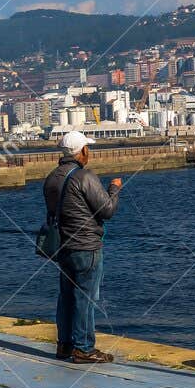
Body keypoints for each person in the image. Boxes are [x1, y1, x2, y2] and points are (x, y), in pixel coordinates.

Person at [42, 131, 122, 364]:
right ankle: (84, 348)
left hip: (63, 247)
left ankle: (65, 344)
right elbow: (107, 210)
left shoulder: (51, 178)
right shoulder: (84, 176)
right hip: (86, 247)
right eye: (88, 148)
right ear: (83, 151)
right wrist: (114, 189)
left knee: (67, 296)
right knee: (85, 298)